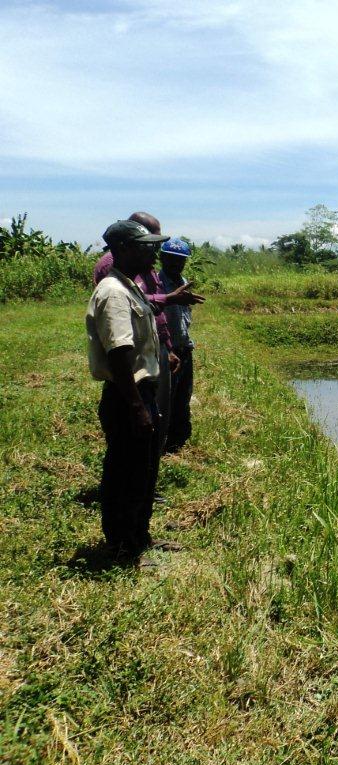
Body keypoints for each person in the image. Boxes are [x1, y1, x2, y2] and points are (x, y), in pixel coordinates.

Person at [86, 220, 174, 558]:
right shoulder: (112, 293)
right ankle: (122, 544)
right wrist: (137, 407)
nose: (152, 252)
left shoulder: (129, 286)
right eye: (145, 246)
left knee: (144, 471)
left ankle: (140, 536)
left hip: (141, 394)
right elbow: (119, 353)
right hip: (128, 397)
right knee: (126, 473)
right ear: (122, 249)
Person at [94, 212, 203, 454]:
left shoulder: (143, 268)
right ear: (131, 242)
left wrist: (166, 346)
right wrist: (169, 299)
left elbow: (152, 311)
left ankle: (154, 462)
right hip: (133, 363)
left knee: (162, 408)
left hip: (155, 353)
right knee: (130, 432)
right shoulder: (112, 275)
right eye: (150, 243)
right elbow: (119, 342)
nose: (155, 252)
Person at [158, 238, 196, 452]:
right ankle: (162, 442)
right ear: (162, 258)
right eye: (171, 260)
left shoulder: (183, 280)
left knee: (183, 396)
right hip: (168, 351)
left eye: (181, 260)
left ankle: (178, 441)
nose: (176, 264)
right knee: (166, 399)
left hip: (184, 348)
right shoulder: (157, 284)